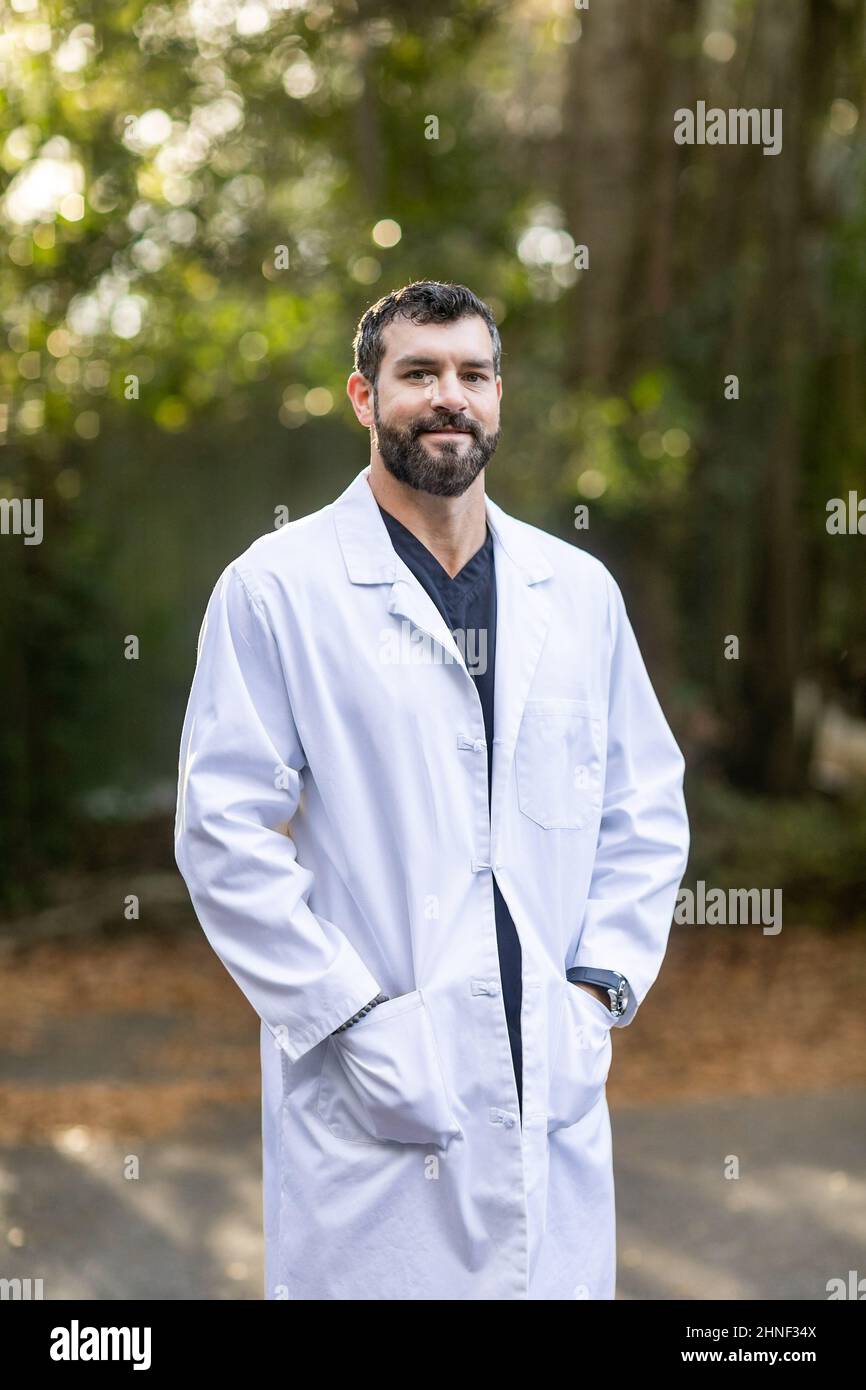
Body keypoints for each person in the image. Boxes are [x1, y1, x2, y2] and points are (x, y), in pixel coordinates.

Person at [174, 280, 690, 1300]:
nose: (445, 396)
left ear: (499, 397)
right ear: (364, 398)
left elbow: (642, 808)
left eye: (470, 374)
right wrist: (349, 1017)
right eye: (417, 373)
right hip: (373, 1101)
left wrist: (595, 992)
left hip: (548, 1075)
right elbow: (222, 831)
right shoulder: (279, 588)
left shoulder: (575, 592)